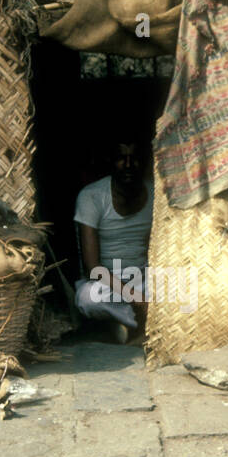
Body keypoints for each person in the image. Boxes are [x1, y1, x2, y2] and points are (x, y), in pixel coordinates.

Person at [74, 141, 153, 344]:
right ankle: (149, 326)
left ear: (144, 162)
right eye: (121, 158)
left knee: (187, 288)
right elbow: (92, 267)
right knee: (87, 299)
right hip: (105, 282)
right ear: (110, 162)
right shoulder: (92, 196)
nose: (128, 165)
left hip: (145, 278)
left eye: (134, 158)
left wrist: (141, 292)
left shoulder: (154, 194)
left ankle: (123, 324)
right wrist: (135, 297)